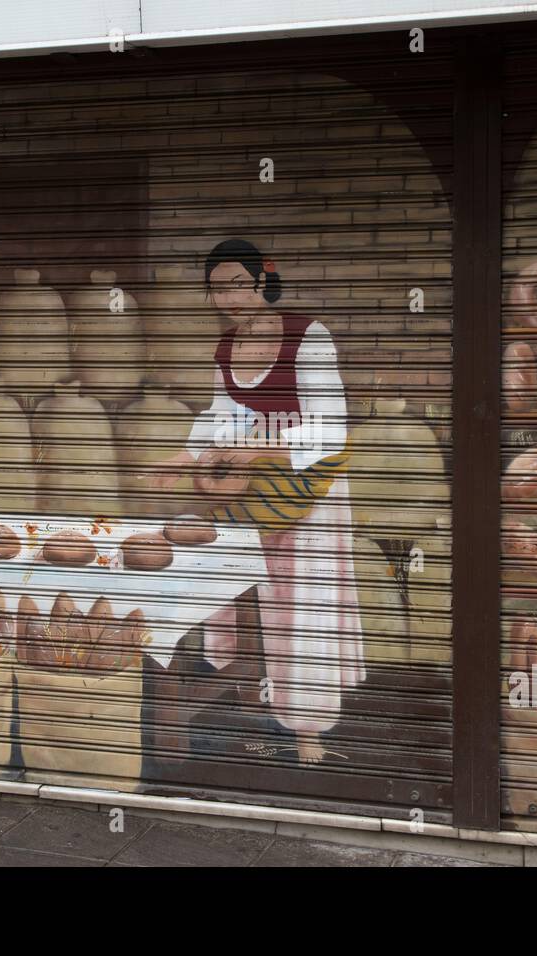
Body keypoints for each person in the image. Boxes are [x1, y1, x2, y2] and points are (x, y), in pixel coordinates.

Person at [155, 239, 365, 764]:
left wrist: (258, 445)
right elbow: (221, 416)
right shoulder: (226, 348)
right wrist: (186, 457)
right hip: (254, 489)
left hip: (309, 488)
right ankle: (253, 694)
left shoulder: (307, 336)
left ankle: (308, 731)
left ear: (260, 282)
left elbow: (330, 426)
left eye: (236, 284)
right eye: (216, 288)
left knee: (302, 607)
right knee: (259, 591)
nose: (227, 296)